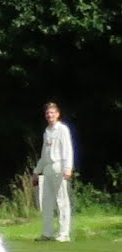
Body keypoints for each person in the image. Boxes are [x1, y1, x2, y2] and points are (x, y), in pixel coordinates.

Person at [37, 102, 74, 242]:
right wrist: (37, 170)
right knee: (46, 202)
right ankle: (47, 233)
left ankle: (64, 234)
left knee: (62, 201)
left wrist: (68, 168)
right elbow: (44, 153)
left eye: (52, 113)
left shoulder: (62, 129)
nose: (49, 115)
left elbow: (67, 149)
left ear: (58, 114)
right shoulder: (47, 131)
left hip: (59, 166)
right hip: (48, 169)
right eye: (47, 113)